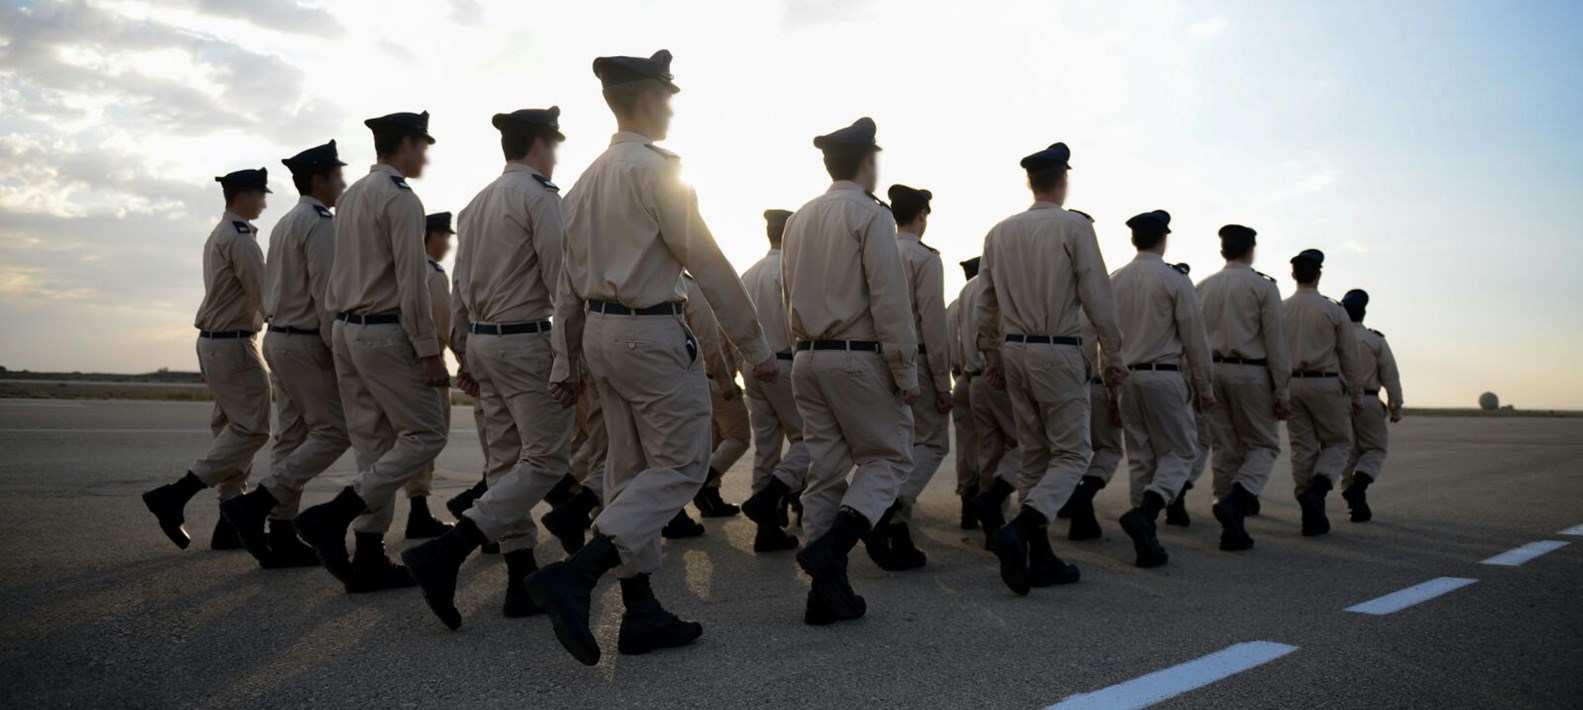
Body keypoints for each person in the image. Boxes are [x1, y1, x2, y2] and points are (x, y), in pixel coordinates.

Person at [528, 50, 776, 665]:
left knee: (629, 473)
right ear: (646, 99)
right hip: (652, 334)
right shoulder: (656, 170)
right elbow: (709, 264)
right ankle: (578, 575)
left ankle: (639, 610)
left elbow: (566, 284)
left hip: (603, 339)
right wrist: (756, 347)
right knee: (684, 466)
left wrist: (567, 360)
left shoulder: (584, 180)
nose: (670, 107)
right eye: (666, 96)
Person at [402, 107, 575, 630]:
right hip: (526, 341)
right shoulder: (539, 196)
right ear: (542, 145)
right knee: (546, 460)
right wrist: (571, 358)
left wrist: (462, 349)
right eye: (554, 145)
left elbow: (459, 285)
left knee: (505, 461)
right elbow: (562, 284)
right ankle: (450, 549)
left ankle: (519, 580)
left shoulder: (477, 203)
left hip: (485, 341)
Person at [293, 110, 450, 593]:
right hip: (384, 331)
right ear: (405, 144)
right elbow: (412, 280)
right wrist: (428, 349)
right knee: (427, 433)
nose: (425, 153)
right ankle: (336, 515)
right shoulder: (401, 198)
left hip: (347, 328)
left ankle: (368, 555)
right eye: (422, 144)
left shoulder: (354, 195)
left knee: (374, 445)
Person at [973, 142, 1127, 595]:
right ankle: (1021, 528)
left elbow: (986, 304)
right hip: (1057, 347)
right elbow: (1098, 298)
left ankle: (1039, 557)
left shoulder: (999, 232)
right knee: (1074, 453)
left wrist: (992, 357)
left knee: (1035, 452)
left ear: (1029, 182)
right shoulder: (1074, 227)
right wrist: (1112, 356)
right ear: (1063, 181)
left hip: (1016, 349)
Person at [782, 116, 917, 625]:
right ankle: (833, 548)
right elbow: (888, 298)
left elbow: (786, 291)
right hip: (857, 355)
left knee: (825, 472)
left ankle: (824, 595)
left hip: (807, 356)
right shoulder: (869, 215)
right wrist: (906, 374)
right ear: (868, 161)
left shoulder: (800, 217)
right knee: (889, 459)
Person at [219, 143, 347, 569]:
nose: (342, 184)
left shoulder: (286, 222)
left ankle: (281, 529)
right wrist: (339, 351)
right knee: (334, 432)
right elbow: (327, 294)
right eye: (336, 176)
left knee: (291, 437)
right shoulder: (319, 224)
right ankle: (257, 504)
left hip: (279, 337)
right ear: (319, 180)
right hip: (307, 340)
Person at [141, 167, 270, 553]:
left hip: (216, 341)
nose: (264, 201)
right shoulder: (241, 239)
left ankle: (230, 521)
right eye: (262, 194)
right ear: (245, 195)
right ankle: (175, 495)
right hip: (233, 344)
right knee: (252, 430)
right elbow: (266, 295)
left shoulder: (220, 233)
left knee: (232, 430)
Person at [1108, 211, 1214, 568]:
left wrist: (1109, 385)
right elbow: (1194, 340)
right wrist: (1204, 386)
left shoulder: (1115, 280)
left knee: (1141, 457)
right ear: (1163, 239)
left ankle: (1145, 538)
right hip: (1164, 374)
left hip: (1126, 376)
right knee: (1182, 451)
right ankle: (1148, 511)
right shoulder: (1174, 280)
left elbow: (1103, 337)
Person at [871, 183, 951, 571]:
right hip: (916, 358)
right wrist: (943, 383)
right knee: (932, 444)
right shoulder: (924, 258)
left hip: (875, 360)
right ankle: (887, 505)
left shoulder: (877, 251)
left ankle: (900, 534)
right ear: (922, 216)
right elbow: (934, 326)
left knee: (897, 447)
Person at [1197, 225, 1290, 550]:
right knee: (1264, 445)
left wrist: (1196, 382)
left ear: (1223, 250)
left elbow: (1192, 340)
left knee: (1224, 447)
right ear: (1252, 249)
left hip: (1211, 372)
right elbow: (1275, 342)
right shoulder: (1262, 287)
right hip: (1250, 372)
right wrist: (1282, 390)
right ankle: (1237, 502)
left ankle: (1230, 525)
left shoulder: (1203, 287)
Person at [738, 209, 809, 553]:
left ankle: (766, 528)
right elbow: (801, 321)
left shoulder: (749, 274)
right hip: (783, 363)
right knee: (812, 439)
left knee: (766, 446)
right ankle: (773, 497)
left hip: (752, 365)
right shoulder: (791, 272)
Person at [1282, 249, 1364, 537]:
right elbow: (1349, 356)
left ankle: (1310, 514)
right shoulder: (1333, 309)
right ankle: (1318, 490)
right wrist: (1356, 394)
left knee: (1303, 448)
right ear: (1319, 274)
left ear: (1293, 275)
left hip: (1291, 383)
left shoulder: (1281, 308)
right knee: (1339, 443)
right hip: (1326, 382)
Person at [393, 212, 460, 539]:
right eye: (446, 236)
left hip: (399, 362)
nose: (448, 244)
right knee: (430, 436)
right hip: (428, 364)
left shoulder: (403, 266)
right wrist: (467, 361)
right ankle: (418, 513)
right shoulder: (432, 273)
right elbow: (445, 323)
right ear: (432, 236)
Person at [1055, 209, 1118, 543]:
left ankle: (1062, 502)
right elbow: (1107, 342)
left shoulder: (1050, 291)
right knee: (1105, 447)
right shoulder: (1092, 293)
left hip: (1049, 376)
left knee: (1059, 449)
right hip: (1089, 382)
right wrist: (1114, 388)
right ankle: (1084, 495)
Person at [959, 258, 1020, 549]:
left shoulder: (967, 291)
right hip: (999, 375)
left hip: (973, 378)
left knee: (989, 449)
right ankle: (994, 504)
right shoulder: (1003, 288)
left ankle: (991, 526)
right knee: (1028, 444)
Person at [1338, 289, 1403, 523]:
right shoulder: (1375, 340)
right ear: (1363, 314)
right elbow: (1390, 377)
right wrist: (1396, 406)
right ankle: (1359, 487)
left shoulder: (1334, 339)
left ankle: (1354, 502)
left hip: (1339, 400)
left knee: (1348, 451)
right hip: (1367, 399)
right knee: (1374, 449)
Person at [945, 259, 979, 531]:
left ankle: (968, 502)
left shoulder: (954, 306)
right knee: (994, 445)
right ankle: (991, 509)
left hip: (961, 380)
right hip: (986, 378)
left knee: (966, 446)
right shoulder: (989, 298)